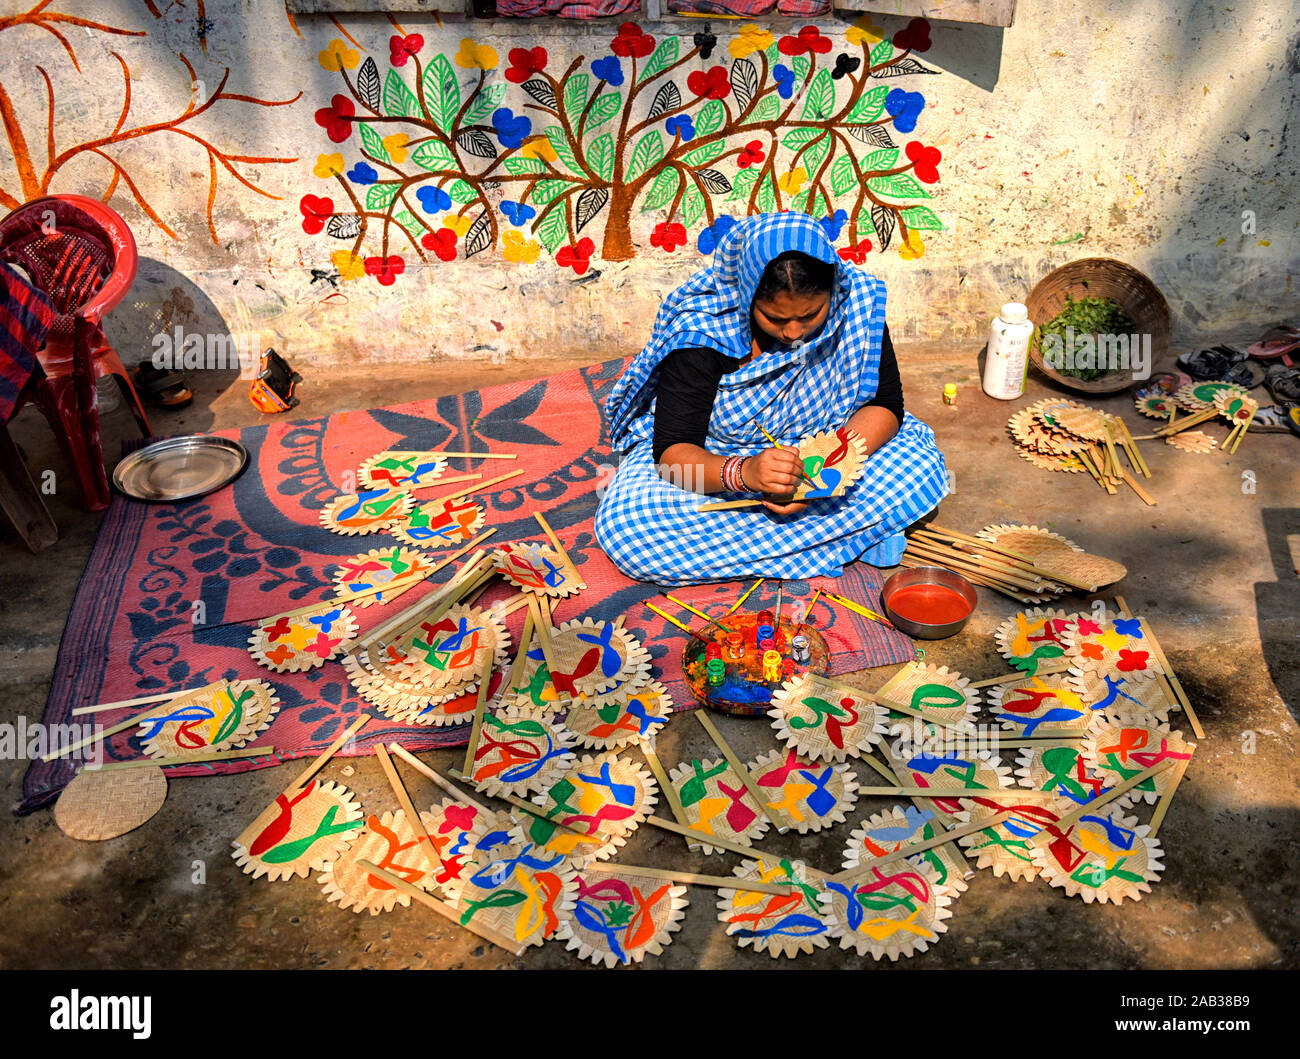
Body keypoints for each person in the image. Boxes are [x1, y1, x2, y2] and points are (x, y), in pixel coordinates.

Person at [595, 212, 949, 585]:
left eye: (811, 315)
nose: (794, 332)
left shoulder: (855, 306)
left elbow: (885, 405)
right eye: (774, 318)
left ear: (833, 288)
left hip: (825, 445)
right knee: (629, 530)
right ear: (747, 295)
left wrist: (822, 475)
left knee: (920, 468)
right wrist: (747, 473)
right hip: (719, 461)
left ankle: (816, 538)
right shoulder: (702, 330)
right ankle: (852, 535)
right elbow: (673, 455)